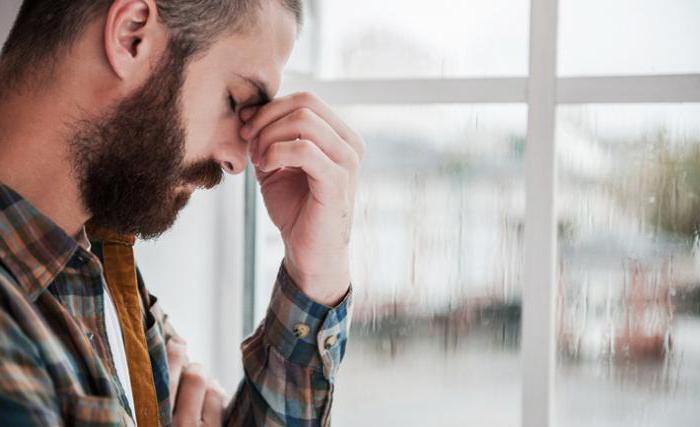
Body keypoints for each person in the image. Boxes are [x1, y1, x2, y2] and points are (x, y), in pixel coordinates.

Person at [0, 0, 364, 425]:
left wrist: (314, 278)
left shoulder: (99, 270)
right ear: (131, 36)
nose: (237, 161)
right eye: (236, 99)